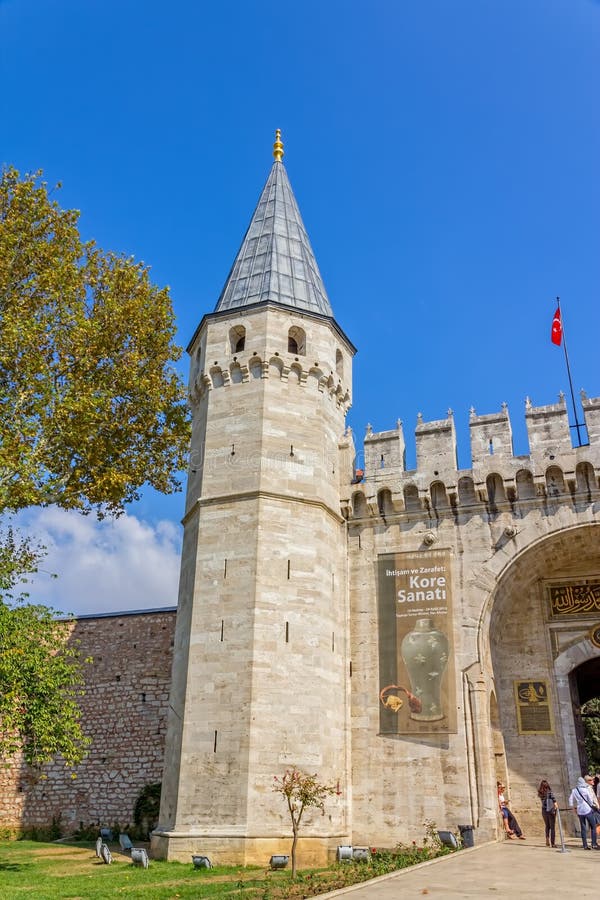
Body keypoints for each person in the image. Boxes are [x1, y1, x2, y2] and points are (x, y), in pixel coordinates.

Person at [568, 775, 599, 850]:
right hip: (587, 810)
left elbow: (570, 800)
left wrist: (573, 808)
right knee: (593, 826)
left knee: (583, 828)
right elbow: (590, 801)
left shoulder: (574, 790)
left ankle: (585, 845)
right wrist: (592, 806)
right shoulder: (585, 790)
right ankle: (594, 844)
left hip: (580, 811)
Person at [537, 780, 558, 847]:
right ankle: (553, 843)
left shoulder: (540, 793)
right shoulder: (549, 792)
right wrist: (556, 806)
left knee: (547, 826)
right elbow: (554, 800)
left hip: (544, 810)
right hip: (550, 810)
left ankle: (547, 839)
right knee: (552, 827)